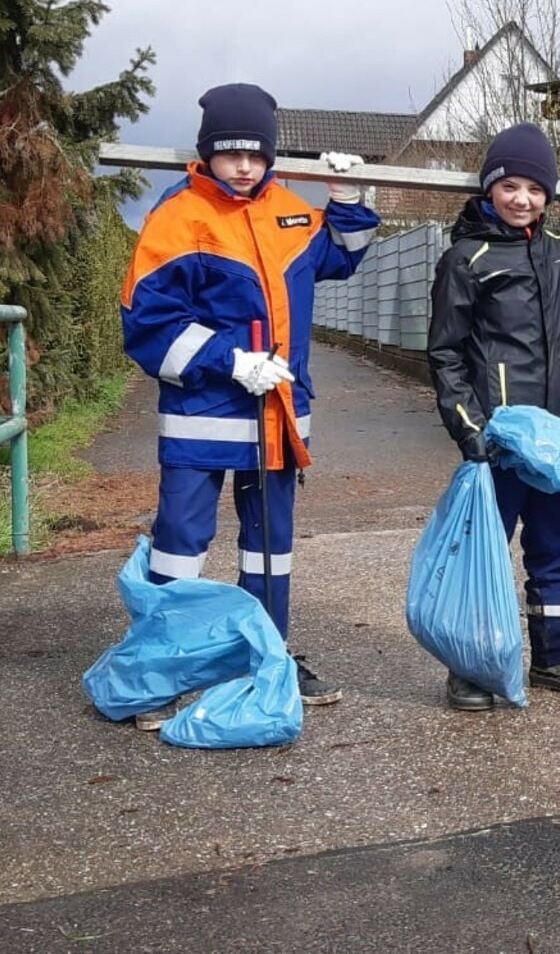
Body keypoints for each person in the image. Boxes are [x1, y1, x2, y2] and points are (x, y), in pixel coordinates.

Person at [119, 83, 380, 728]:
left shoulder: (291, 211)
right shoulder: (177, 217)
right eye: (229, 154)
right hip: (204, 410)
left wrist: (348, 201)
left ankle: (266, 653)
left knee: (270, 546)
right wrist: (229, 361)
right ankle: (165, 666)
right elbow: (146, 321)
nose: (242, 166)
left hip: (277, 416)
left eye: (254, 155)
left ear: (269, 157)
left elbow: (341, 262)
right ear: (207, 154)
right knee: (181, 543)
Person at [426, 122, 560, 711]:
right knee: (485, 552)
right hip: (500, 440)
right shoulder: (467, 258)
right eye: (509, 186)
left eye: (535, 189)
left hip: (559, 440)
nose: (522, 199)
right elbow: (444, 353)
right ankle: (471, 669)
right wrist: (469, 428)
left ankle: (558, 659)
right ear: (489, 190)